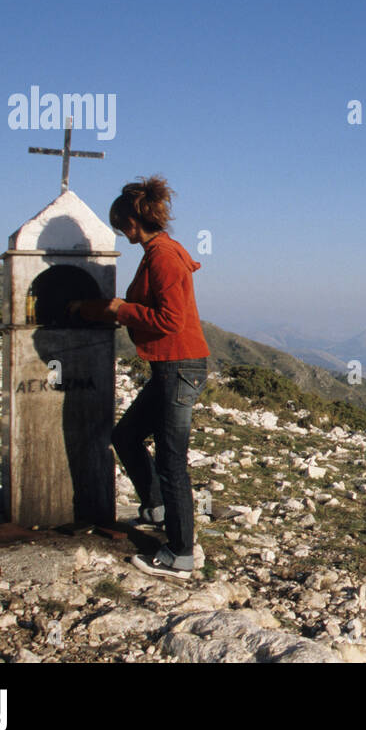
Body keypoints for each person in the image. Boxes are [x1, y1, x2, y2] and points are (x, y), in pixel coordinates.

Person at [72, 175, 210, 580]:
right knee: (126, 436)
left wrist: (119, 310)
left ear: (135, 220)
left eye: (122, 225)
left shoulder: (163, 256)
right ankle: (158, 509)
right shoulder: (157, 252)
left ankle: (180, 553)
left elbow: (170, 320)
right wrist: (99, 309)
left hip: (179, 365)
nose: (121, 233)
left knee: (171, 459)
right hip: (170, 366)